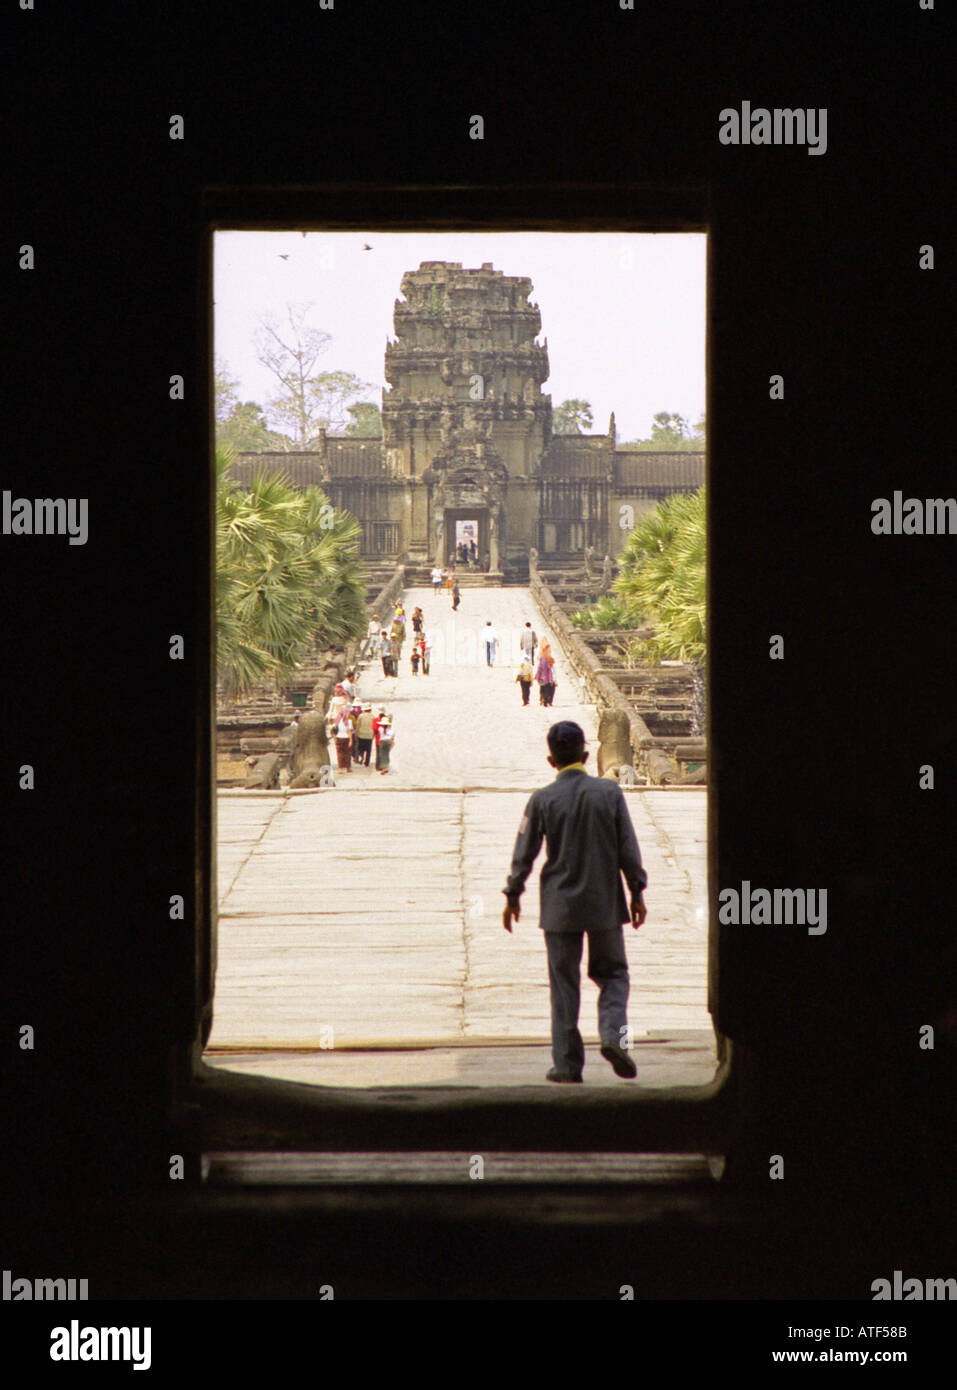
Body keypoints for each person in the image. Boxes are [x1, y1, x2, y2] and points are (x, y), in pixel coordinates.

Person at [501, 721, 648, 1083]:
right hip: (604, 903)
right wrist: (636, 891)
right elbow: (628, 847)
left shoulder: (542, 800)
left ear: (551, 760)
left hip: (560, 908)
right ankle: (614, 1037)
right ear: (586, 754)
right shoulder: (609, 793)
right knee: (614, 976)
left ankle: (567, 1065)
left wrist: (513, 894)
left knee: (563, 985)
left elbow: (524, 852)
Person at [333, 707, 353, 772]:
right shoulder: (349, 721)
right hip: (346, 738)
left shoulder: (337, 720)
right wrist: (351, 740)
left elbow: (332, 729)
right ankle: (348, 768)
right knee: (347, 754)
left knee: (339, 754)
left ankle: (340, 769)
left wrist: (334, 737)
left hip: (338, 738)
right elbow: (349, 731)